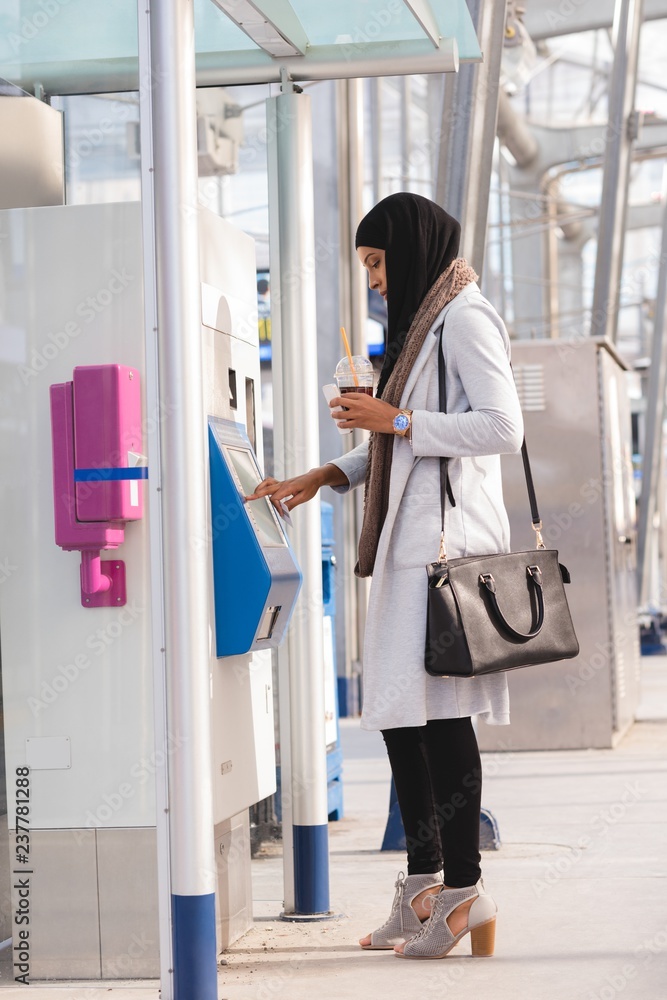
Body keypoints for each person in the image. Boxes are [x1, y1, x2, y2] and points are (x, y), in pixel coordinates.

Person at [246, 192, 524, 960]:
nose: (371, 279)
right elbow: (394, 444)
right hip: (407, 549)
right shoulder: (420, 326)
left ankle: (464, 892)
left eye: (376, 262)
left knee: (441, 718)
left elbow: (503, 427)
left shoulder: (463, 316)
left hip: (440, 550)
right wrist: (326, 473)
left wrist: (395, 419)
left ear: (408, 252)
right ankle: (423, 885)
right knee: (405, 716)